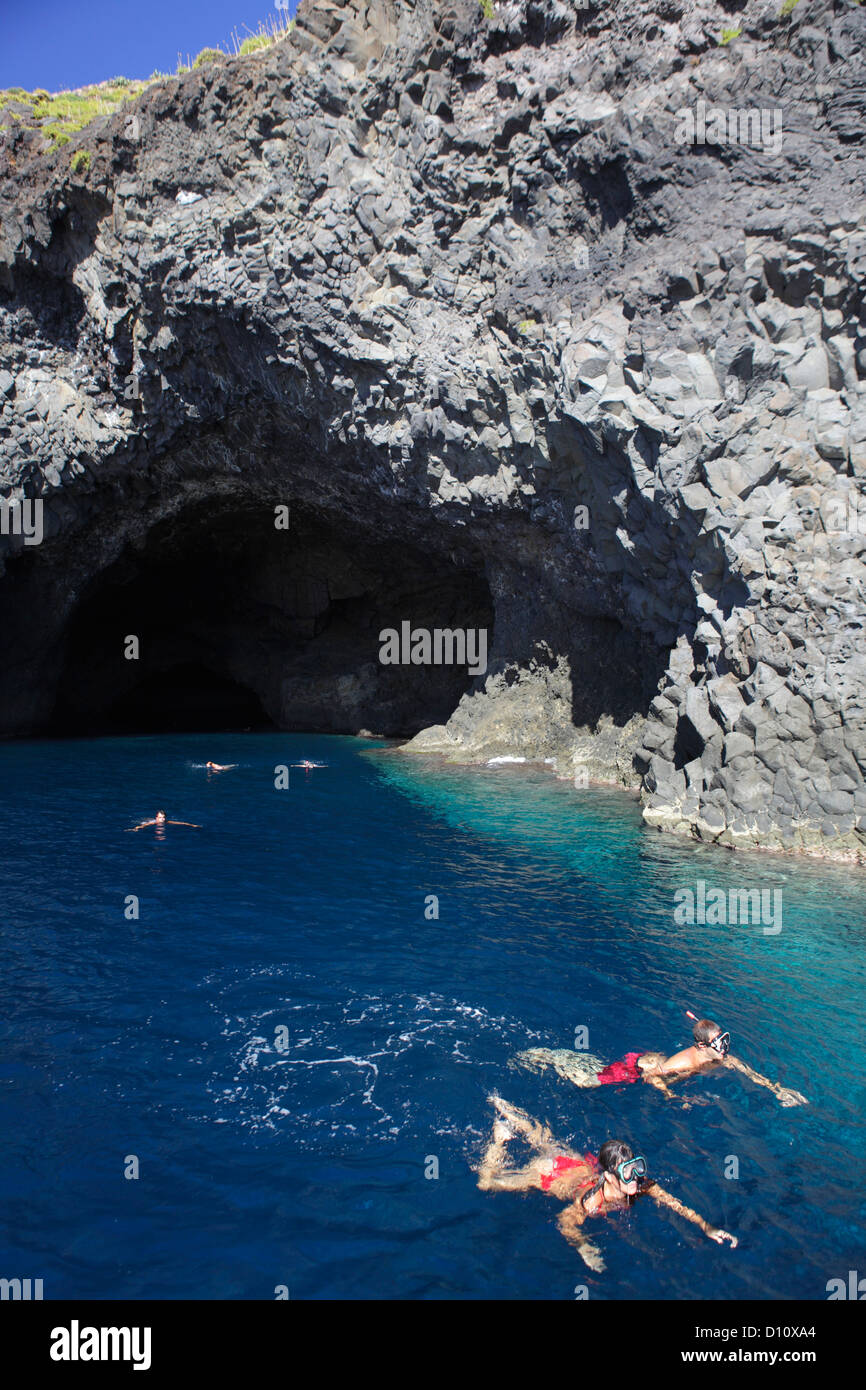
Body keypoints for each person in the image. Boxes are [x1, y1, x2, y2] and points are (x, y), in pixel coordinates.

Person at [476, 1096, 737, 1271]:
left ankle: (504, 1107)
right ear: (611, 1177)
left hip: (576, 1165)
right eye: (627, 1173)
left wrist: (706, 1226)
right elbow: (566, 1221)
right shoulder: (592, 1201)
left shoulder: (639, 1184)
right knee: (486, 1184)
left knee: (542, 1139)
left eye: (636, 1169)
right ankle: (499, 1138)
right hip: (551, 1176)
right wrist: (584, 1248)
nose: (635, 1178)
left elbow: (675, 1204)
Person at [514, 1013, 807, 1108]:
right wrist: (671, 1096)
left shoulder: (723, 1058)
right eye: (721, 1043)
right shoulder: (683, 1063)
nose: (727, 1048)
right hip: (640, 1069)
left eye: (726, 1041)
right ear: (703, 1045)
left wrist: (777, 1090)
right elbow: (654, 1076)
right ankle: (545, 1058)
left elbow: (751, 1072)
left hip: (657, 1064)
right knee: (588, 1081)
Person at [127, 810, 201, 831]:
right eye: (160, 817)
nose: (162, 819)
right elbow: (144, 825)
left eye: (163, 817)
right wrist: (136, 828)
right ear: (156, 818)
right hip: (147, 822)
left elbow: (180, 823)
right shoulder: (154, 822)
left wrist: (192, 825)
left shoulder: (167, 822)